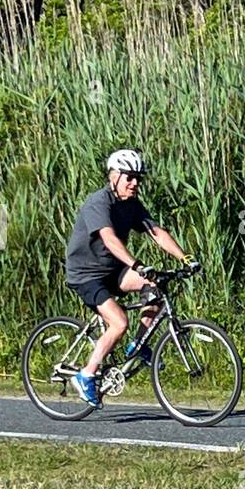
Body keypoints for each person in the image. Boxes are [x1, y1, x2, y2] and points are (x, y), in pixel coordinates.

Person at [64, 149, 196, 408]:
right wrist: (137, 264)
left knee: (156, 287)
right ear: (114, 177)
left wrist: (185, 258)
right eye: (130, 178)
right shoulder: (98, 203)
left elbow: (156, 232)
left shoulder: (132, 205)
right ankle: (86, 374)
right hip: (86, 275)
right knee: (119, 322)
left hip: (113, 271)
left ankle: (138, 344)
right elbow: (109, 239)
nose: (135, 183)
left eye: (139, 179)